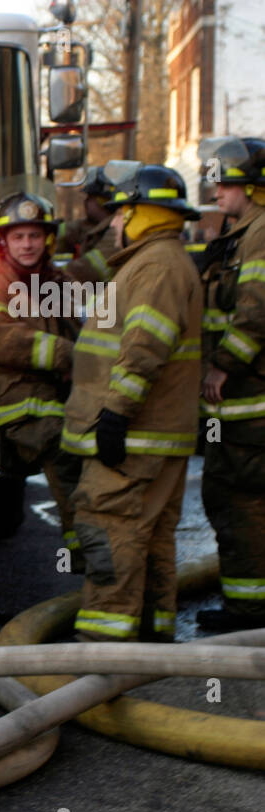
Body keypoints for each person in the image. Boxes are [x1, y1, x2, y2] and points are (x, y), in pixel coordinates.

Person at [61, 165, 202, 642]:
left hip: (136, 432)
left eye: (123, 212)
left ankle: (104, 646)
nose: (116, 223)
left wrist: (116, 415)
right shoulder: (154, 261)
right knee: (151, 533)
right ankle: (151, 636)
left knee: (110, 525)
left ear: (143, 213)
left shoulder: (156, 266)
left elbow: (144, 347)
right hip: (155, 432)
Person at [0, 191, 82, 565]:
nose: (27, 244)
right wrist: (70, 356)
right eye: (18, 237)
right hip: (12, 395)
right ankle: (85, 550)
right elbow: (3, 340)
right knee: (63, 448)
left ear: (47, 239)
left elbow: (81, 328)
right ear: (3, 241)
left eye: (34, 236)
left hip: (49, 390)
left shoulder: (56, 280)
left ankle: (103, 546)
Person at [194, 137, 265, 631]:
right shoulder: (244, 231)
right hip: (243, 404)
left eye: (224, 182)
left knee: (236, 497)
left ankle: (248, 611)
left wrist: (222, 365)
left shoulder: (259, 234)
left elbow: (256, 311)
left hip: (247, 401)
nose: (216, 191)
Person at [59, 166, 117, 284]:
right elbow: (73, 230)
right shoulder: (96, 225)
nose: (85, 202)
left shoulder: (119, 232)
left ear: (104, 202)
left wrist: (47, 275)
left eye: (90, 198)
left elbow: (87, 270)